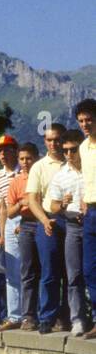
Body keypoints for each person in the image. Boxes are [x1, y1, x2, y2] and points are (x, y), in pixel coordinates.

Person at [27, 123, 69, 333]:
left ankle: (67, 315)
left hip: (71, 221)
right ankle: (47, 317)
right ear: (45, 141)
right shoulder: (39, 167)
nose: (54, 143)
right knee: (49, 271)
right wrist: (44, 220)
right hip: (48, 220)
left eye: (57, 139)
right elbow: (32, 199)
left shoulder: (72, 162)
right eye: (49, 140)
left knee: (70, 272)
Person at [46, 129, 88, 336]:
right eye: (66, 151)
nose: (70, 155)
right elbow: (52, 206)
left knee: (92, 272)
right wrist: (62, 204)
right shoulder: (61, 176)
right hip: (72, 225)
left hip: (92, 223)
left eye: (73, 150)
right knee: (73, 275)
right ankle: (78, 319)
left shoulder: (91, 169)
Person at [2, 142, 40, 330]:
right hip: (25, 224)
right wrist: (22, 203)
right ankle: (28, 316)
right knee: (27, 271)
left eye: (29, 158)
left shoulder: (41, 175)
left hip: (42, 222)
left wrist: (30, 202)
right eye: (22, 159)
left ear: (36, 158)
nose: (25, 162)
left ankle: (46, 314)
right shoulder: (16, 182)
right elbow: (10, 212)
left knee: (47, 270)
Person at [0, 136, 21, 327]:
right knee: (11, 270)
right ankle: (14, 315)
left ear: (14, 151)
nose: (2, 154)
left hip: (25, 219)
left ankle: (29, 314)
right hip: (9, 221)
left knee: (28, 269)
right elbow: (2, 207)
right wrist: (2, 234)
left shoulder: (23, 171)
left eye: (6, 150)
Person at [77, 98, 96, 340]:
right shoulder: (82, 147)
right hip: (90, 212)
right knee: (90, 269)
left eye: (89, 119)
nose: (85, 124)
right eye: (81, 121)